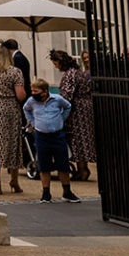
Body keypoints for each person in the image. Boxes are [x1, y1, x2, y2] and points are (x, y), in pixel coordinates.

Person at [23, 77, 81, 203]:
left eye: (36, 91)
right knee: (44, 165)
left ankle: (67, 191)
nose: (33, 94)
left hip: (57, 134)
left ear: (44, 91)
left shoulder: (57, 99)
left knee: (63, 164)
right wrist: (32, 122)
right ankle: (45, 192)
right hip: (41, 135)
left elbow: (68, 106)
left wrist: (61, 119)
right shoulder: (32, 101)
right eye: (32, 91)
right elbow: (26, 109)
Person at [0, 43, 26, 193]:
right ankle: (14, 180)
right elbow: (20, 95)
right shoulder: (14, 72)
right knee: (13, 143)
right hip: (10, 108)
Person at [51, 49, 95, 181]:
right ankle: (83, 168)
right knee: (83, 138)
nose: (55, 66)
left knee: (77, 139)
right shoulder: (78, 72)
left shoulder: (69, 74)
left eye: (55, 63)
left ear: (60, 62)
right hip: (86, 106)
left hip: (77, 110)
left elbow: (66, 95)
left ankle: (83, 170)